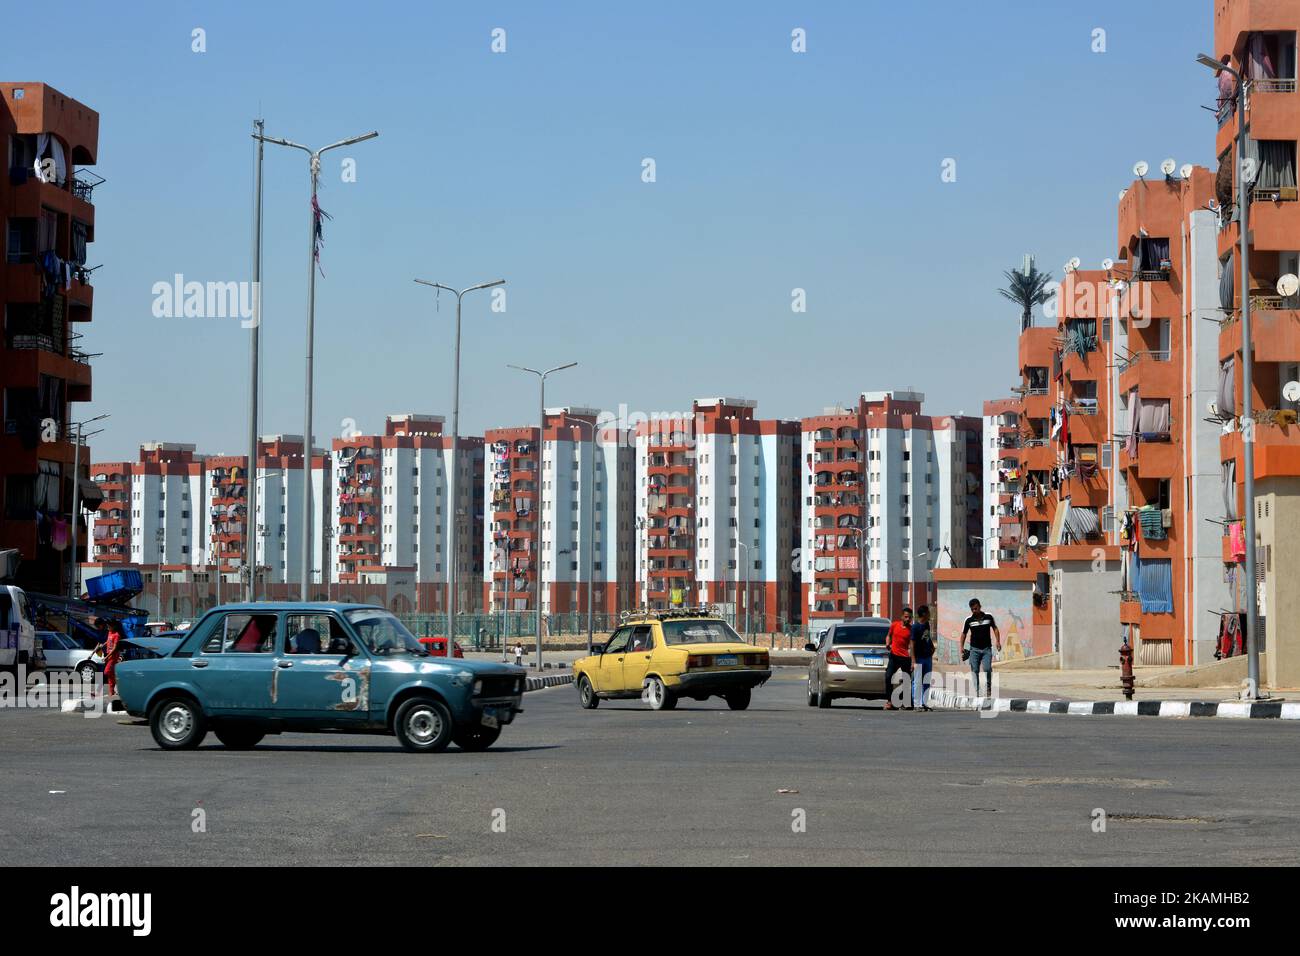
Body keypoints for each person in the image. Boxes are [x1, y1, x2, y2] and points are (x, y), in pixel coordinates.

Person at [960, 599, 1001, 696]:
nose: (974, 611)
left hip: (986, 649)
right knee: (975, 670)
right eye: (972, 609)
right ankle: (977, 693)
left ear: (979, 606)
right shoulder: (969, 620)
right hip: (974, 650)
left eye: (975, 608)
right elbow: (963, 634)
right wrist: (961, 646)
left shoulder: (988, 617)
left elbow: (995, 628)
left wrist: (998, 641)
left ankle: (988, 687)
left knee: (987, 669)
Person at [884, 607, 914, 711]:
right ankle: (889, 702)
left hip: (905, 657)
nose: (907, 619)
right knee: (888, 677)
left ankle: (906, 702)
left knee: (907, 680)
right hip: (894, 656)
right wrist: (888, 643)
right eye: (906, 617)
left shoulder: (911, 630)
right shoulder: (894, 625)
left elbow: (912, 645)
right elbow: (888, 636)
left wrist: (912, 660)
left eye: (909, 618)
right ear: (901, 616)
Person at [911, 606, 935, 711]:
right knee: (917, 681)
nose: (930, 614)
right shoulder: (915, 627)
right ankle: (917, 704)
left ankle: (925, 703)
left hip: (927, 657)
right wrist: (913, 660)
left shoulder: (926, 625)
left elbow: (927, 638)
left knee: (926, 681)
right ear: (924, 614)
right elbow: (912, 644)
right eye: (928, 612)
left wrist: (932, 647)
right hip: (919, 657)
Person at [94, 619, 125, 698]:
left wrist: (107, 657)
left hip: (113, 655)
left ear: (113, 626)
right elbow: (107, 641)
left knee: (106, 672)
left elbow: (115, 648)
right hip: (107, 654)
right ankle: (111, 691)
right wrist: (102, 646)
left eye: (109, 626)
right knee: (109, 673)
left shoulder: (117, 635)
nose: (108, 627)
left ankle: (118, 687)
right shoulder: (109, 632)